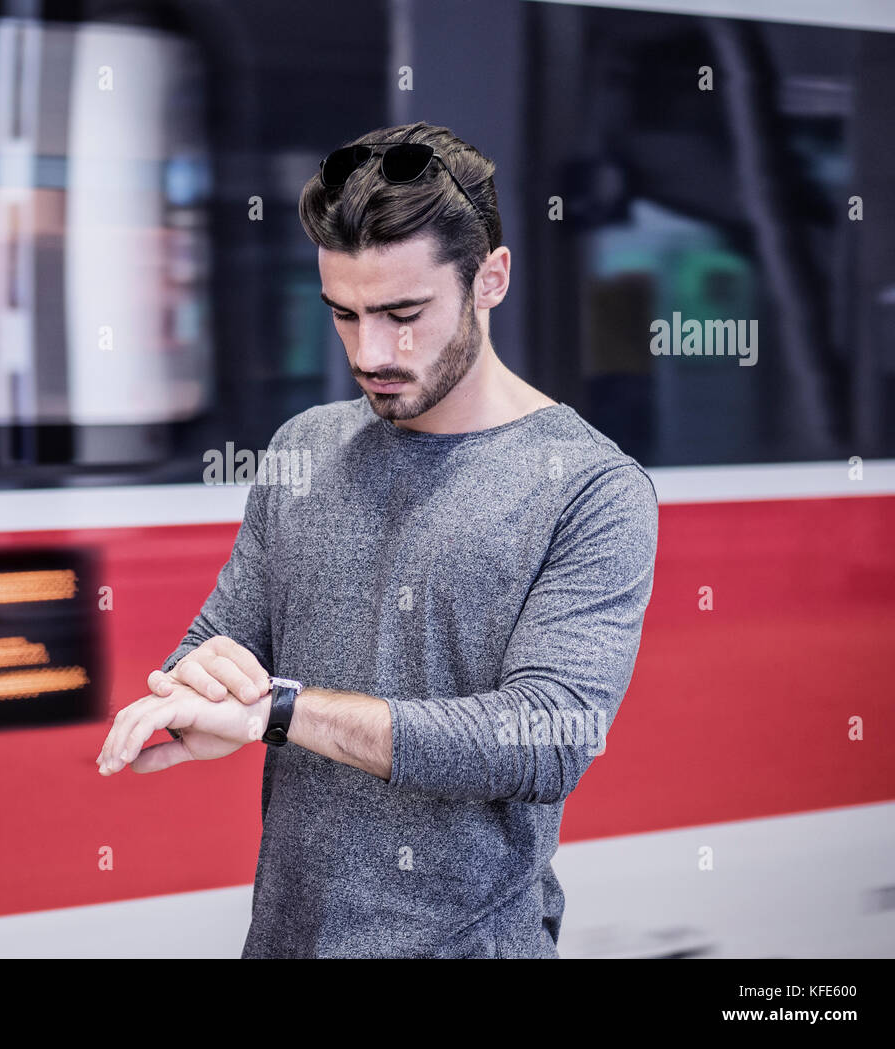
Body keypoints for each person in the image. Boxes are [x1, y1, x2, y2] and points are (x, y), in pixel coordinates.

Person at [96, 120, 659, 958]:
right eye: (345, 315)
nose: (371, 352)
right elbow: (220, 640)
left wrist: (280, 710)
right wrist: (196, 694)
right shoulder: (304, 448)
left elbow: (546, 736)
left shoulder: (591, 487)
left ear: (490, 279)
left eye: (403, 313)